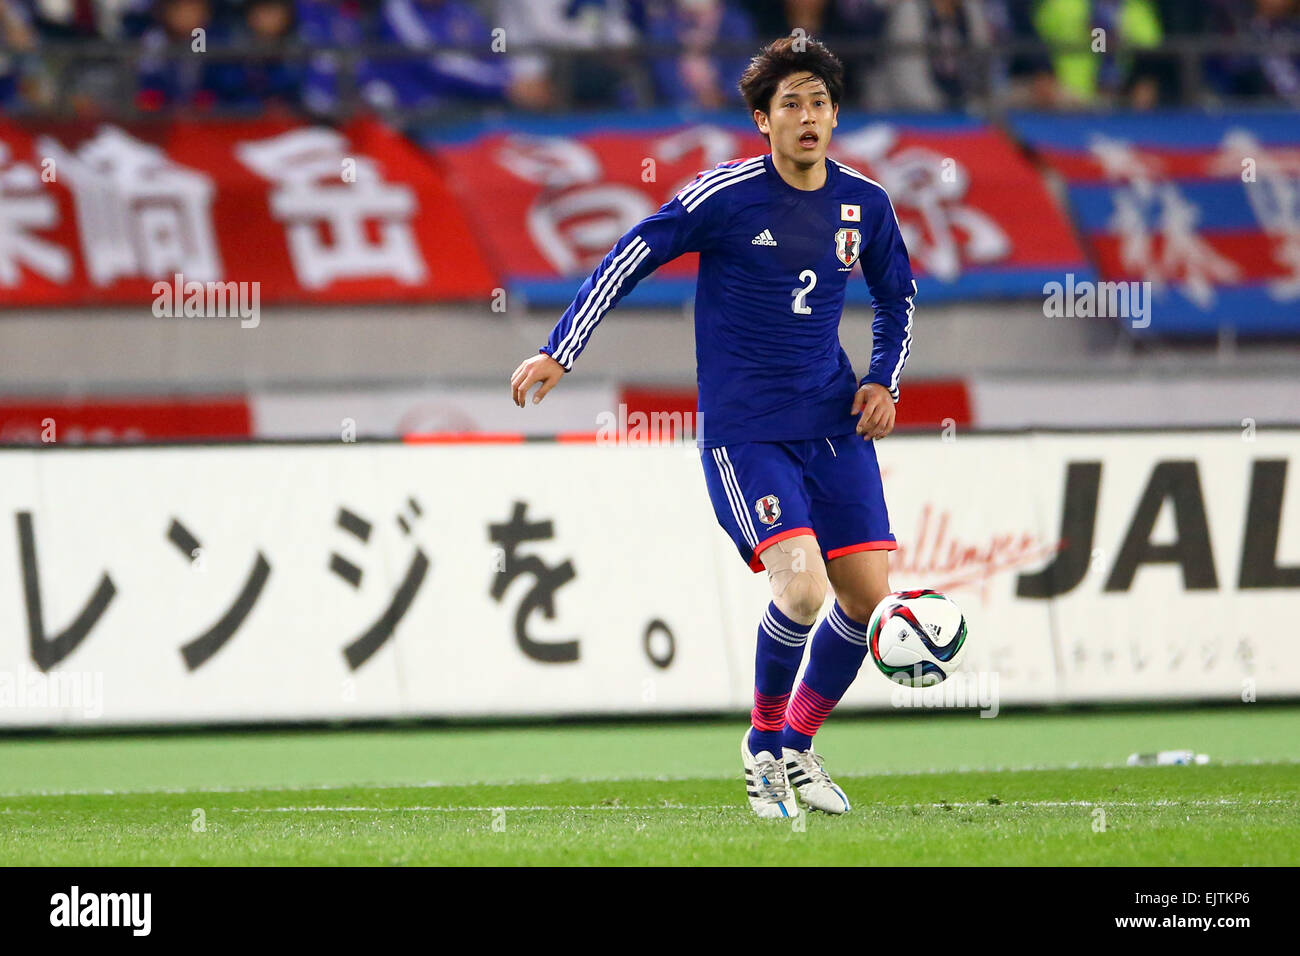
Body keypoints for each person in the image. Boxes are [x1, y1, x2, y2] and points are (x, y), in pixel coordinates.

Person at [510, 35, 916, 818]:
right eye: (790, 104)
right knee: (800, 590)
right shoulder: (722, 197)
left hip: (833, 424)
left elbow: (897, 298)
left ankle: (796, 746)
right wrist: (561, 348)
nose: (808, 117)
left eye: (820, 102)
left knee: (866, 602)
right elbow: (633, 253)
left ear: (836, 115)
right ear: (762, 121)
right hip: (749, 432)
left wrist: (880, 381)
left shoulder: (865, 204)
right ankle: (762, 748)